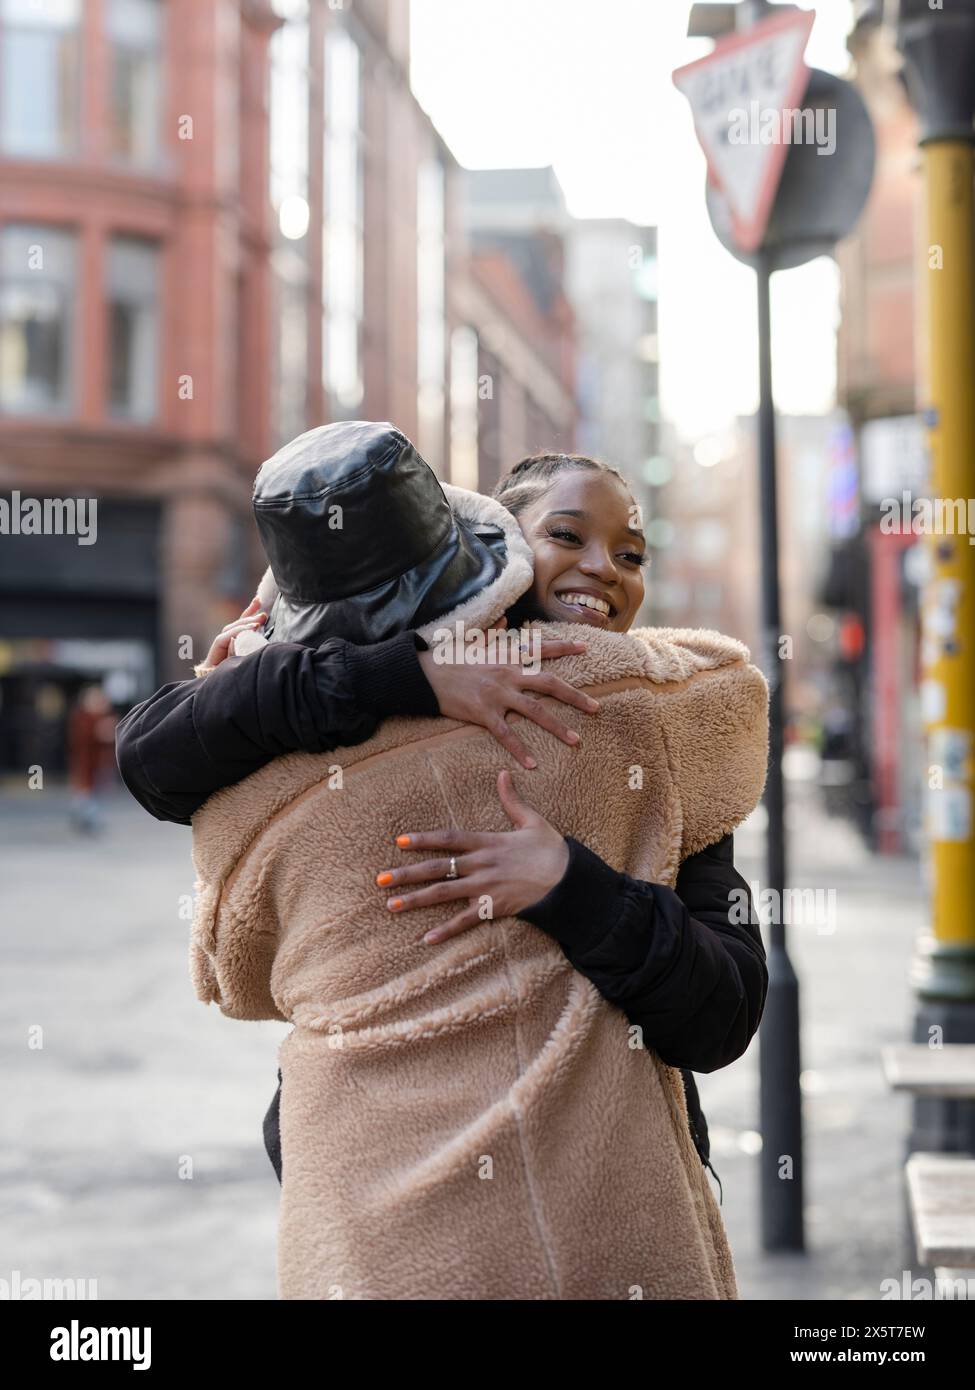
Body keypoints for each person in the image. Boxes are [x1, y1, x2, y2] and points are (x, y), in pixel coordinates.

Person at [183, 423, 769, 1299]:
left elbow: (721, 1014)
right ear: (488, 548)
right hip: (439, 1230)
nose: (605, 566)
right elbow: (154, 748)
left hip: (473, 1228)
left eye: (631, 553)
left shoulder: (654, 736)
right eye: (565, 536)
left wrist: (571, 887)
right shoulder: (672, 714)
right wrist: (408, 676)